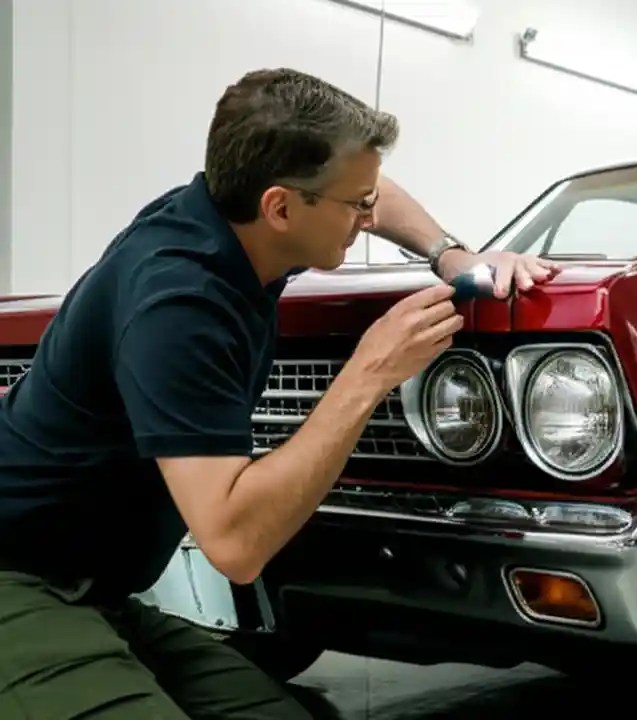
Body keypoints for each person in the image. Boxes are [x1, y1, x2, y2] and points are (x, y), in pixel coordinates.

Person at [0, 68, 558, 718]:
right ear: (282, 207)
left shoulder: (227, 213)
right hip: (15, 580)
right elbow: (236, 547)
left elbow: (375, 193)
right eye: (356, 204)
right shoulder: (181, 305)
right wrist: (370, 372)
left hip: (98, 587)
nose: (366, 215)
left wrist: (450, 254)